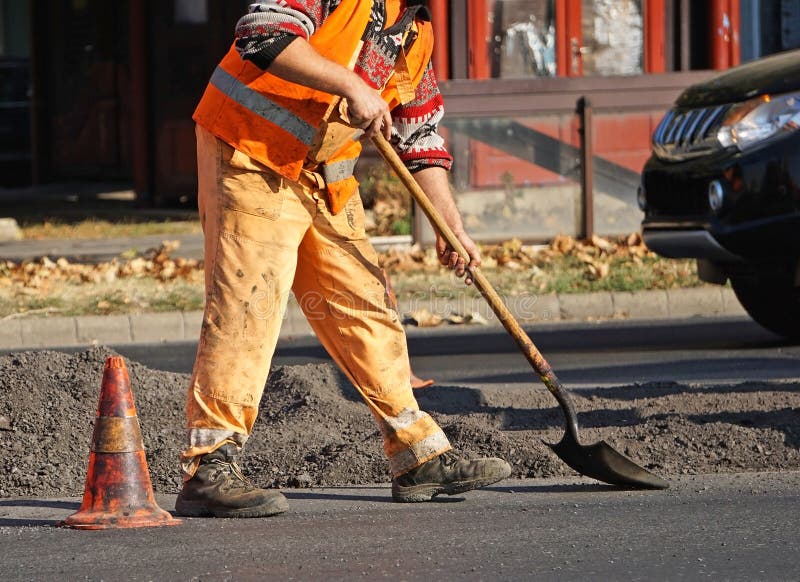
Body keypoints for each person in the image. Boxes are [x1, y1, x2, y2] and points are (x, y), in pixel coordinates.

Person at [175, 0, 511, 518]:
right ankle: (209, 466)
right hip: (250, 152)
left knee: (367, 304)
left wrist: (451, 225)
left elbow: (420, 136)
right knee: (250, 306)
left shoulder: (415, 33)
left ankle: (417, 454)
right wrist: (352, 85)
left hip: (322, 175)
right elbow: (262, 34)